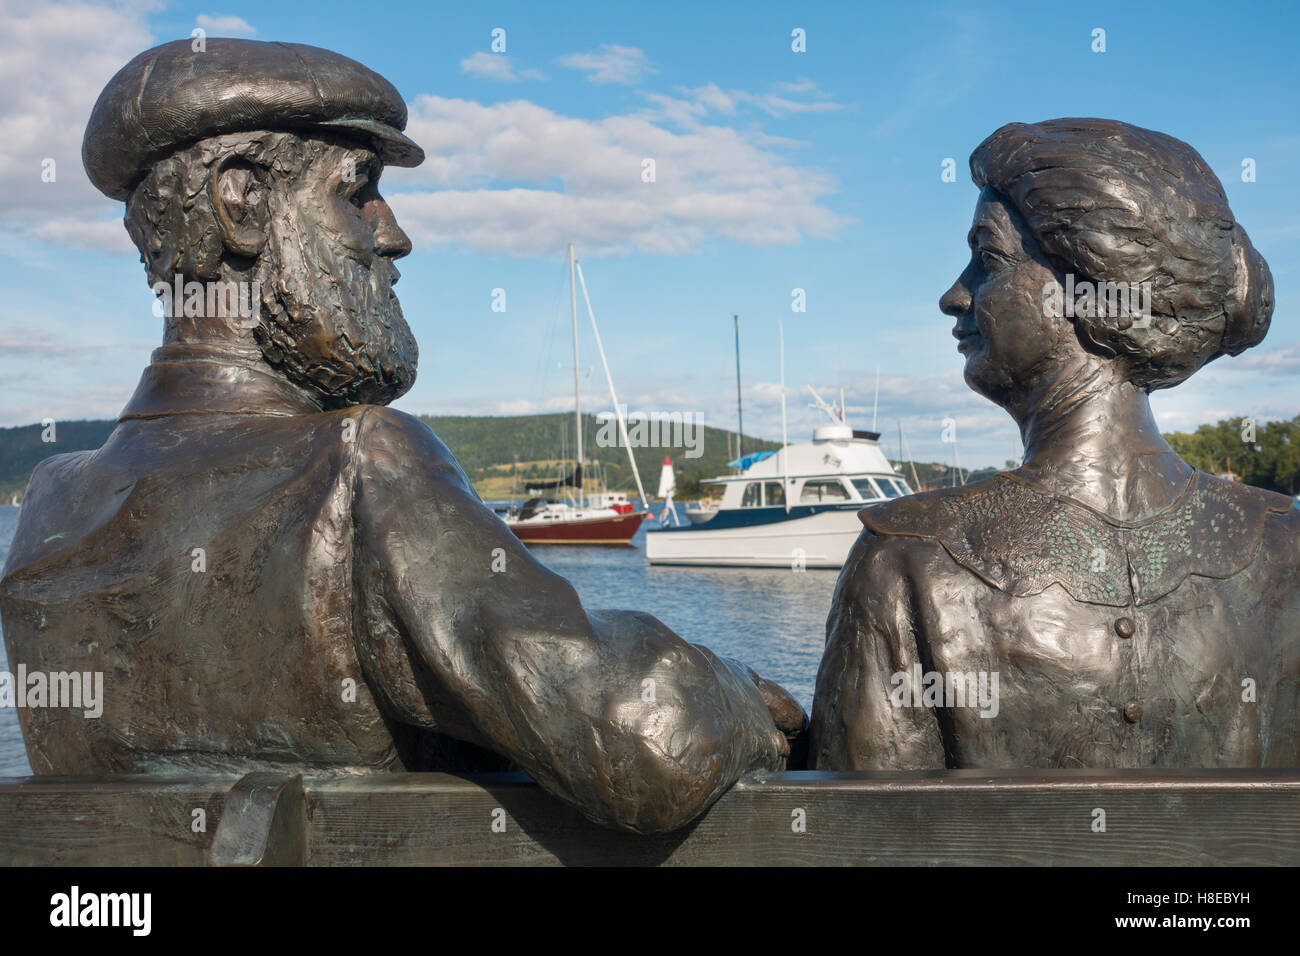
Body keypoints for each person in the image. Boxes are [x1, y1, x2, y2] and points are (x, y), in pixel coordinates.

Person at [0, 39, 804, 835]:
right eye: (359, 192)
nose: (393, 237)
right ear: (238, 203)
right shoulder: (359, 465)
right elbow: (642, 736)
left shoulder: (51, 504)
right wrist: (737, 687)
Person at [811, 118, 1298, 770]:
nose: (954, 296)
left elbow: (852, 833)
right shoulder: (1284, 547)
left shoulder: (907, 561)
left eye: (989, 259)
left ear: (1094, 290)